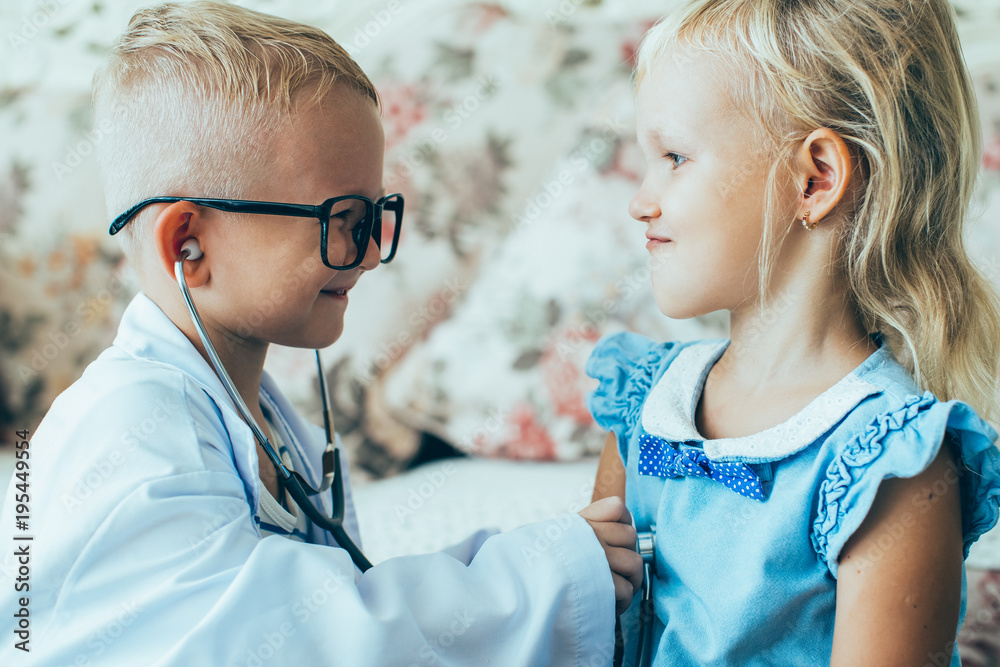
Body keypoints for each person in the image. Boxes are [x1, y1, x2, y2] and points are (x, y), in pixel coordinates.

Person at [0, 2, 643, 664]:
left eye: (374, 217)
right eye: (342, 219)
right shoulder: (131, 429)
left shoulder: (268, 423)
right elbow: (281, 642)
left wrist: (522, 558)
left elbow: (340, 601)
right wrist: (540, 577)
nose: (366, 254)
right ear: (188, 244)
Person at [587, 0, 1000, 665]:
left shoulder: (890, 466)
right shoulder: (643, 408)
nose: (641, 198)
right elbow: (587, 638)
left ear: (815, 179)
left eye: (674, 156)